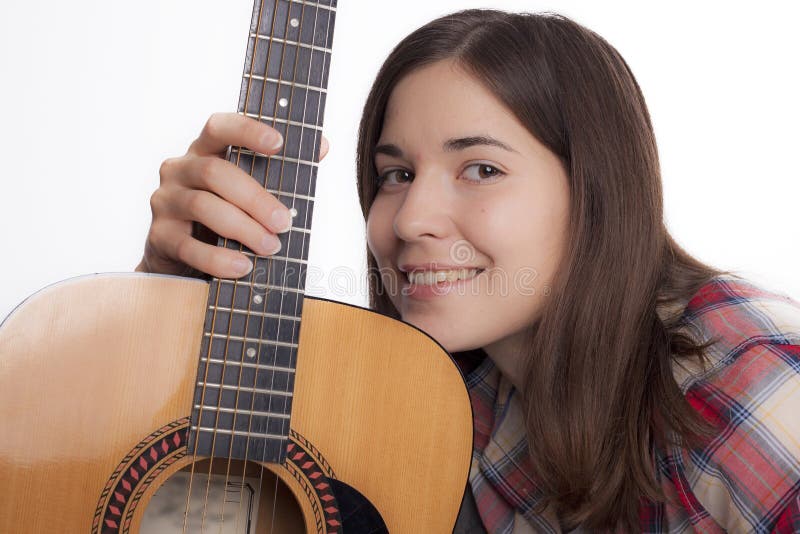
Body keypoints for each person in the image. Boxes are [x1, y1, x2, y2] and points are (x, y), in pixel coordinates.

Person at [135, 8, 800, 533]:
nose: (408, 218)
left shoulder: (750, 382)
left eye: (480, 169)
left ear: (597, 192)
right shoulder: (435, 399)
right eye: (395, 174)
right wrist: (170, 291)